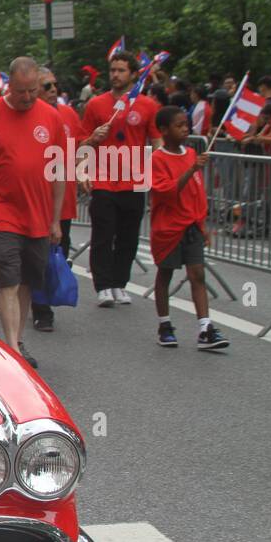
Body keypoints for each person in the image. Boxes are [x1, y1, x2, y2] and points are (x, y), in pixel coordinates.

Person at [0, 57, 67, 370]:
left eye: (33, 90)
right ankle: (11, 350)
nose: (28, 97)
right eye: (21, 91)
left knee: (26, 282)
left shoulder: (51, 117)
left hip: (37, 215)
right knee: (8, 279)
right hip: (0, 213)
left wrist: (56, 220)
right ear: (9, 85)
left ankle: (17, 341)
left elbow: (59, 172)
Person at [81, 50, 160, 307]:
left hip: (134, 180)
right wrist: (91, 143)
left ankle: (119, 283)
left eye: (121, 70)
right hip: (103, 179)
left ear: (133, 74)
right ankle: (103, 285)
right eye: (113, 70)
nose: (115, 75)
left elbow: (156, 141)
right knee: (103, 235)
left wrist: (159, 170)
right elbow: (82, 142)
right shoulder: (96, 104)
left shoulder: (148, 105)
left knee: (128, 237)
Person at [150, 106, 228, 351]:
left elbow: (197, 193)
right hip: (168, 228)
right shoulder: (157, 159)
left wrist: (202, 224)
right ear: (164, 130)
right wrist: (192, 168)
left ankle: (205, 328)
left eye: (186, 124)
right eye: (179, 125)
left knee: (198, 275)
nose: (185, 129)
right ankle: (165, 325)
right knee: (165, 274)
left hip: (191, 226)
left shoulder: (191, 153)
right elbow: (166, 191)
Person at [31, 66, 84, 331]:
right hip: (36, 200)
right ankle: (41, 309)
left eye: (55, 85)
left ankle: (43, 297)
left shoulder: (69, 114)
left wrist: (85, 167)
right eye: (47, 86)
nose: (54, 90)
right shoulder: (28, 116)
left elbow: (78, 149)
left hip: (64, 201)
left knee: (58, 252)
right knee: (38, 256)